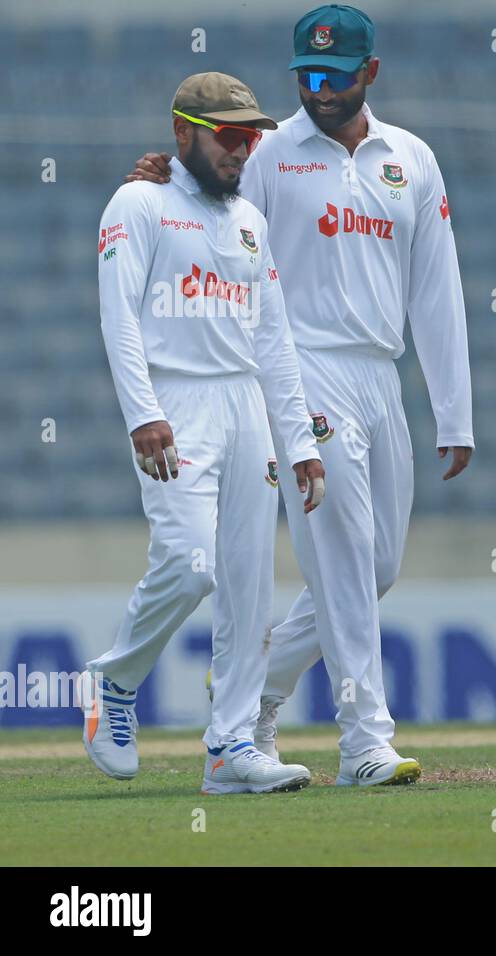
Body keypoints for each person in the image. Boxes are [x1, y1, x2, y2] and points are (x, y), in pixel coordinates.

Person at [127, 4, 474, 787]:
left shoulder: (409, 159)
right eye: (307, 76)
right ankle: (364, 742)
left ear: (370, 74)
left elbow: (437, 287)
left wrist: (455, 410)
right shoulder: (274, 151)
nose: (319, 90)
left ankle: (254, 691)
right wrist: (156, 181)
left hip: (380, 374)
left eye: (336, 76)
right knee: (347, 559)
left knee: (375, 566)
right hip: (298, 370)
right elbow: (200, 190)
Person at [86, 72, 325, 795]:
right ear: (182, 132)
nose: (243, 151)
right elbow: (119, 314)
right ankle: (115, 681)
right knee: (192, 567)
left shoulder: (248, 220)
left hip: (245, 406)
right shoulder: (139, 201)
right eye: (229, 136)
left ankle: (229, 748)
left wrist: (302, 443)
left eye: (250, 137)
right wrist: (142, 412)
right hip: (176, 403)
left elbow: (275, 342)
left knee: (251, 584)